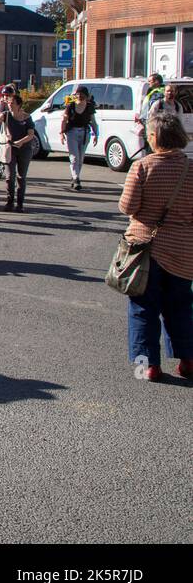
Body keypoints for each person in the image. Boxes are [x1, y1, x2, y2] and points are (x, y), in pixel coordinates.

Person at [118, 112, 193, 382]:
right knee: (181, 306)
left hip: (145, 250)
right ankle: (187, 360)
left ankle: (150, 365)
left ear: (154, 137)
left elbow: (127, 207)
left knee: (143, 307)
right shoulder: (190, 168)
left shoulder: (143, 166)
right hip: (183, 251)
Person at [60, 85, 99, 192]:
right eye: (78, 95)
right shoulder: (70, 106)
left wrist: (96, 135)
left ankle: (74, 176)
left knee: (81, 158)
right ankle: (76, 179)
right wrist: (62, 133)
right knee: (74, 157)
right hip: (72, 133)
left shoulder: (89, 107)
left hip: (85, 133)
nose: (80, 97)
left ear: (86, 96)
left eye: (82, 95)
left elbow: (94, 122)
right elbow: (64, 120)